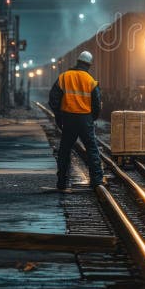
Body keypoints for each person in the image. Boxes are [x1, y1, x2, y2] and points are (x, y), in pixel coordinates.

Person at [49, 50, 104, 193]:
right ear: (88, 65)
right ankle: (97, 181)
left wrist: (58, 117)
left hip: (68, 118)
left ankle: (62, 182)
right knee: (92, 149)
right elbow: (97, 104)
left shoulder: (64, 77)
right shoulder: (91, 80)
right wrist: (92, 118)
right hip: (85, 119)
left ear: (78, 62)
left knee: (65, 150)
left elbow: (53, 99)